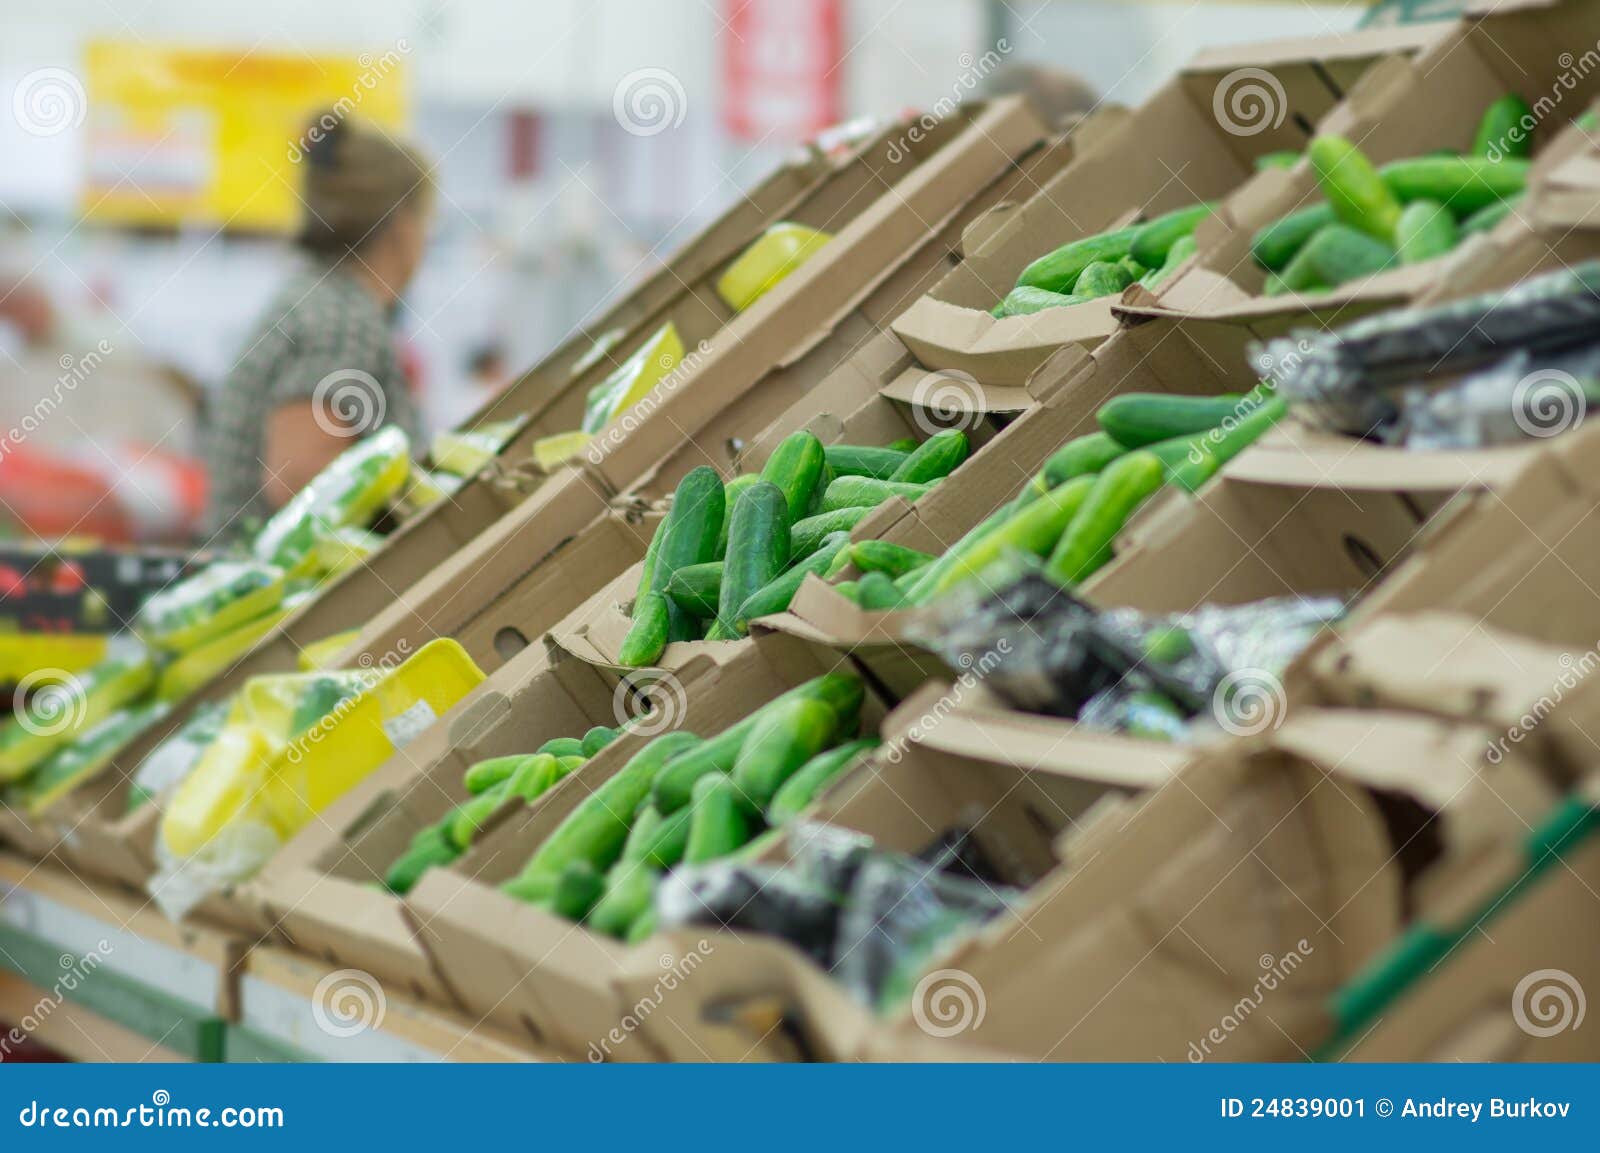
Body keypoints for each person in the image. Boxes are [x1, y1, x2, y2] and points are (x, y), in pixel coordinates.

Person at [202, 115, 431, 541]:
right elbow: (298, 477)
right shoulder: (342, 319)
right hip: (291, 596)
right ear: (403, 229)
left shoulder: (315, 297)